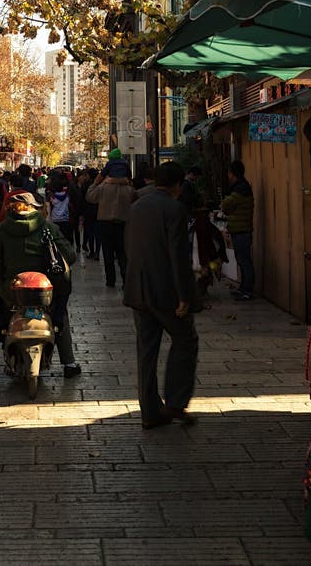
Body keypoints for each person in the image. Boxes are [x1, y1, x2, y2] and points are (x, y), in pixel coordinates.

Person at [0, 191, 80, 383]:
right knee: (61, 315)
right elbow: (70, 256)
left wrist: (5, 272)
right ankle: (69, 364)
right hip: (44, 291)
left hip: (12, 291)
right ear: (34, 208)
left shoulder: (2, 229)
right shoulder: (48, 228)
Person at [124, 161, 199, 430]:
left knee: (146, 350)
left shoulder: (136, 206)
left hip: (138, 288)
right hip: (165, 290)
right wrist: (183, 296)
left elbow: (128, 247)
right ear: (178, 184)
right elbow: (177, 255)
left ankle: (149, 411)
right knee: (185, 339)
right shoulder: (174, 208)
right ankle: (176, 403)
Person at [86, 172, 136, 286]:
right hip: (124, 223)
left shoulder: (103, 187)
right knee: (123, 252)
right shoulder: (128, 189)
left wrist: (95, 183)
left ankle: (110, 280)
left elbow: (90, 197)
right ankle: (125, 279)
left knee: (107, 252)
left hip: (105, 223)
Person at [221, 160, 255, 301]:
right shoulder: (242, 187)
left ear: (233, 173)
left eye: (229, 173)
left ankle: (247, 291)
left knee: (244, 261)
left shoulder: (240, 189)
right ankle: (243, 289)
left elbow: (226, 205)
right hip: (240, 230)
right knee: (242, 261)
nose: (228, 176)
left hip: (242, 231)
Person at [49, 178, 73, 242]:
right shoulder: (67, 196)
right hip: (65, 217)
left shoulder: (53, 196)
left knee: (56, 235)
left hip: (55, 217)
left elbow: (52, 204)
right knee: (64, 235)